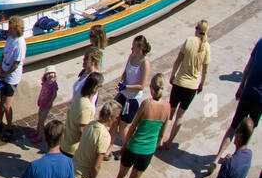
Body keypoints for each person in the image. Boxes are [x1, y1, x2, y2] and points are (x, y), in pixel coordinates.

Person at [102, 73, 171, 178]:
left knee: (121, 176)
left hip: (133, 147)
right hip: (147, 152)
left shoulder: (146, 104)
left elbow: (132, 127)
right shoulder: (167, 107)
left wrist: (125, 145)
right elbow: (162, 135)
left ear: (151, 88)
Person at [65, 101, 121, 178]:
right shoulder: (105, 136)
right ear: (111, 117)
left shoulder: (91, 124)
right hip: (82, 177)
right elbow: (97, 165)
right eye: (116, 117)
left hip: (73, 167)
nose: (117, 120)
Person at [213, 37, 262, 168]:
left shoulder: (260, 42)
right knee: (248, 131)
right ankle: (236, 157)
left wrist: (241, 86)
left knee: (234, 126)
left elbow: (248, 67)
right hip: (260, 101)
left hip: (248, 92)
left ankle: (217, 157)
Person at [163, 21, 211, 150]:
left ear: (196, 29)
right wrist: (201, 84)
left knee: (170, 113)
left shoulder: (189, 41)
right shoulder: (207, 47)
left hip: (180, 82)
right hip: (192, 86)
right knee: (180, 115)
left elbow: (178, 60)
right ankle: (169, 141)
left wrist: (172, 75)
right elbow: (205, 69)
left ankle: (160, 138)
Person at [111, 35, 152, 156]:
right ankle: (108, 148)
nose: (131, 49)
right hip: (123, 93)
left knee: (123, 127)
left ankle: (126, 149)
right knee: (113, 121)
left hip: (132, 98)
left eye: (133, 47)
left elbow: (142, 85)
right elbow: (125, 73)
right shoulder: (131, 56)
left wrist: (127, 87)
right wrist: (122, 81)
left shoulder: (145, 62)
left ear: (141, 47)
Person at [0, 16, 27, 138]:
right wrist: (0, 69)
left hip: (12, 77)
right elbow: (4, 54)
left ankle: (9, 127)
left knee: (7, 104)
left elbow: (16, 63)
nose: (8, 30)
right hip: (4, 72)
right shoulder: (10, 38)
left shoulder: (20, 43)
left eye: (11, 28)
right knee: (1, 100)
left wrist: (5, 74)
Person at [63, 72, 103, 159]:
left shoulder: (79, 95)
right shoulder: (86, 107)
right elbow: (82, 130)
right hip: (72, 150)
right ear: (97, 87)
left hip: (65, 142)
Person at [31, 67, 59, 145]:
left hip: (47, 104)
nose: (50, 75)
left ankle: (40, 136)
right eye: (48, 73)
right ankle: (37, 132)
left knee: (42, 120)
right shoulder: (46, 82)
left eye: (52, 73)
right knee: (39, 118)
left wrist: (50, 102)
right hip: (42, 102)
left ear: (54, 74)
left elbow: (54, 94)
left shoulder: (53, 84)